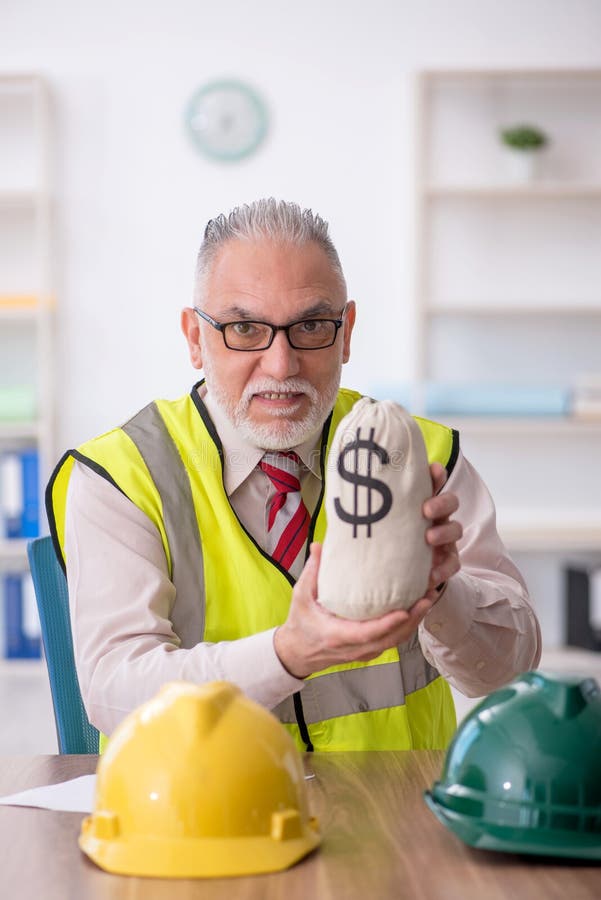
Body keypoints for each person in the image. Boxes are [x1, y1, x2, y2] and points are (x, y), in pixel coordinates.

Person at [47, 198, 541, 752]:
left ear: (346, 331)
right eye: (244, 328)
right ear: (194, 337)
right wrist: (288, 654)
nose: (281, 365)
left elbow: (505, 677)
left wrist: (445, 593)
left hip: (397, 821)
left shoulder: (421, 456)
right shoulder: (123, 476)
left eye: (310, 326)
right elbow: (114, 691)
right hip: (207, 822)